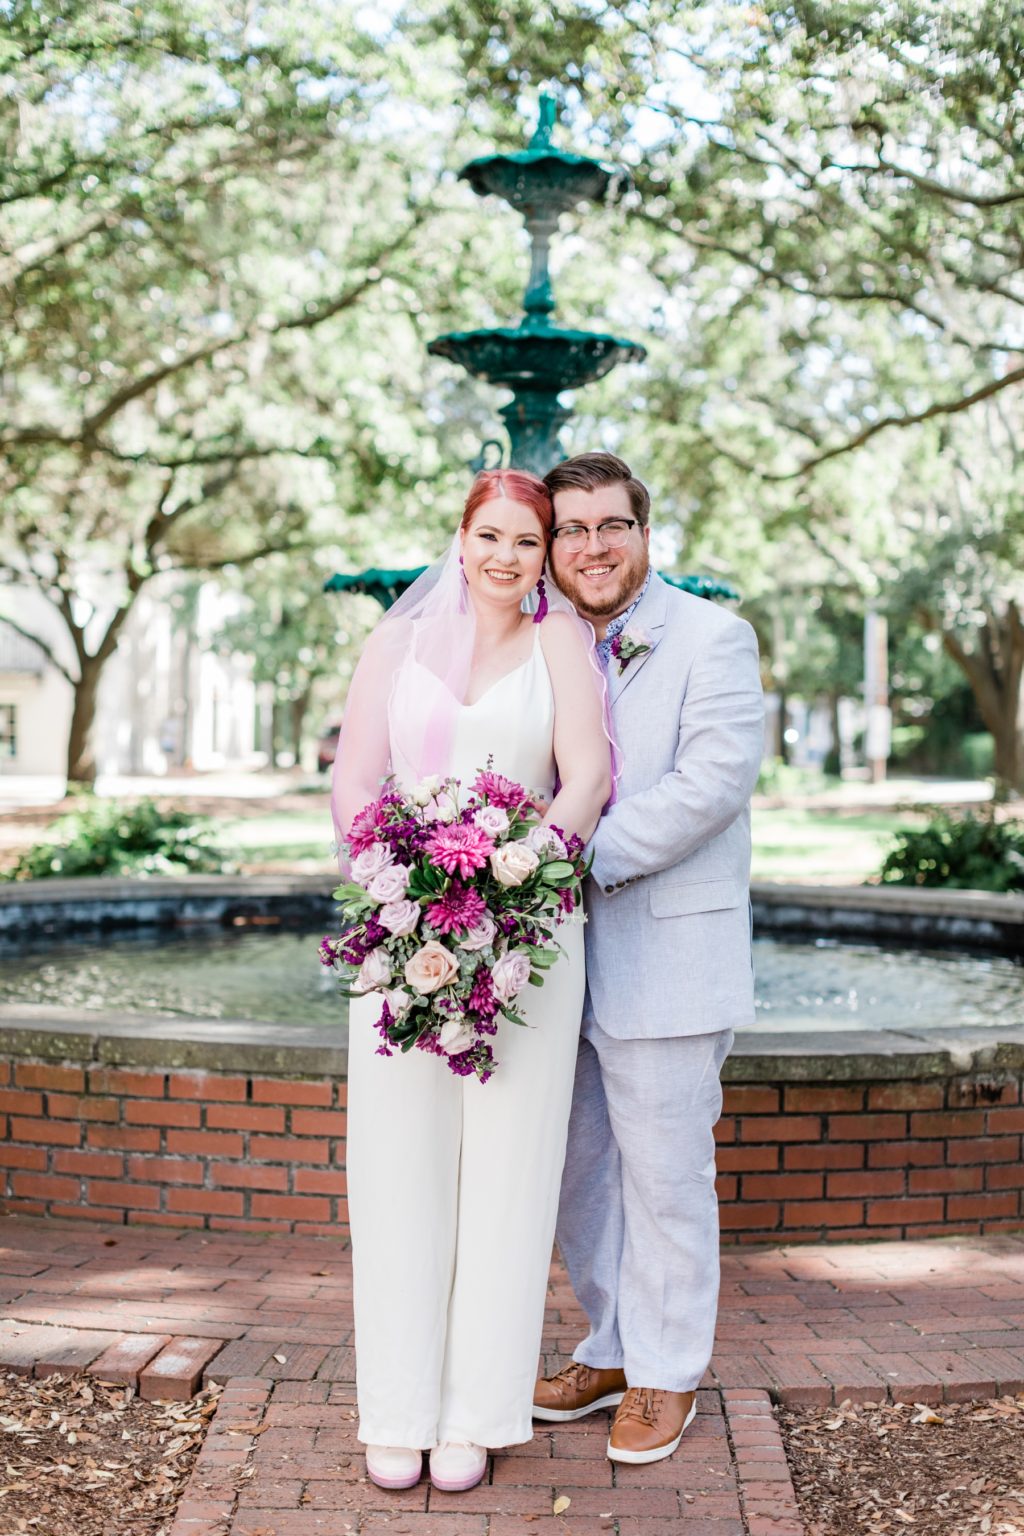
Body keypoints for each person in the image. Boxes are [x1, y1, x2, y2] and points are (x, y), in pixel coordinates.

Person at [331, 469, 613, 1494]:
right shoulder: (394, 646)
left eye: (527, 544)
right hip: (403, 934)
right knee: (396, 1165)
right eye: (489, 536)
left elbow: (583, 777)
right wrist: (389, 879)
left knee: (507, 1175)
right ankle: (397, 1409)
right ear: (459, 539)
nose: (506, 558)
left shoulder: (561, 645)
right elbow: (357, 782)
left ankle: (476, 1413)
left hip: (530, 938)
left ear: (544, 559)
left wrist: (518, 875)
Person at [532, 451, 764, 1466]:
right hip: (548, 966)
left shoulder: (712, 637)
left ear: (643, 533)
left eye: (608, 526)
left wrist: (567, 862)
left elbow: (711, 782)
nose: (590, 547)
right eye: (570, 530)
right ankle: (614, 1347)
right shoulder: (538, 645)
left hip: (666, 953)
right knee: (581, 1175)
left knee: (667, 1180)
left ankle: (668, 1374)